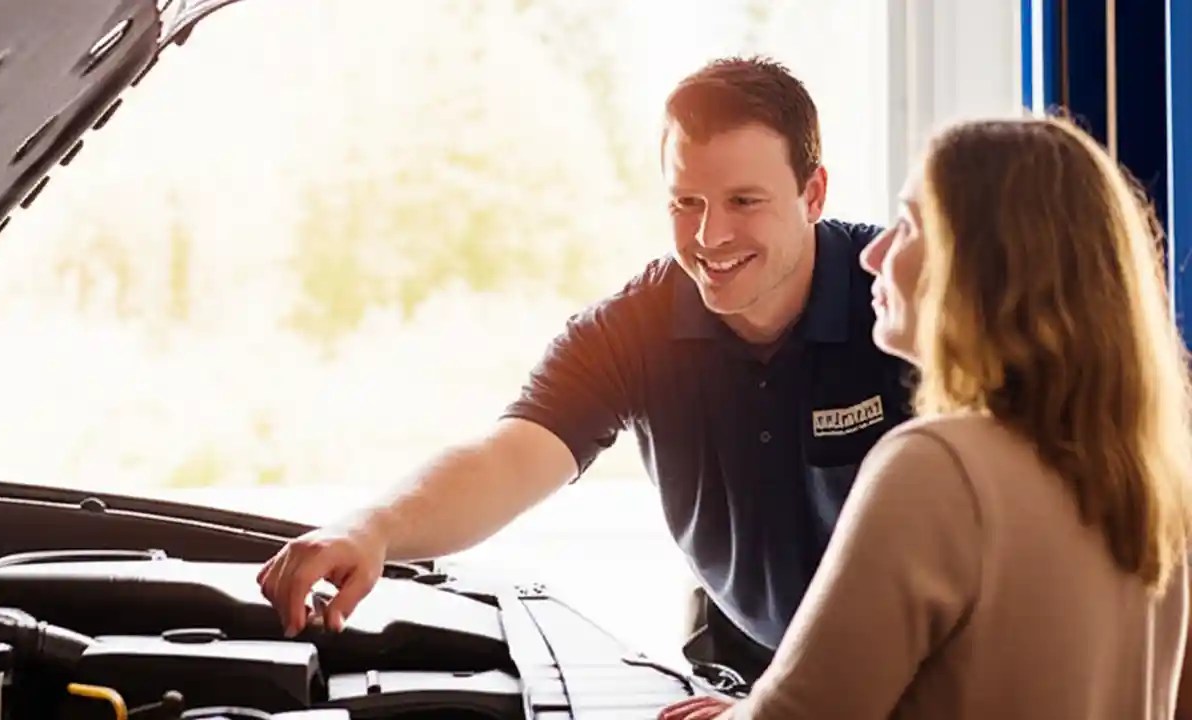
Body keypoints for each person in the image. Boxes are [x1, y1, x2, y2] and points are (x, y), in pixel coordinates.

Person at [255, 56, 914, 683]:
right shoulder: (637, 327)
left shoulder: (899, 298)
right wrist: (374, 529)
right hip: (742, 668)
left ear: (813, 193)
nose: (710, 237)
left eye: (744, 201)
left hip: (913, 669)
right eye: (687, 203)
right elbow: (508, 459)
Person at [660, 115, 1192, 720]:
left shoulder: (938, 466)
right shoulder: (1151, 476)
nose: (872, 253)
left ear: (987, 267)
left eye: (910, 225)